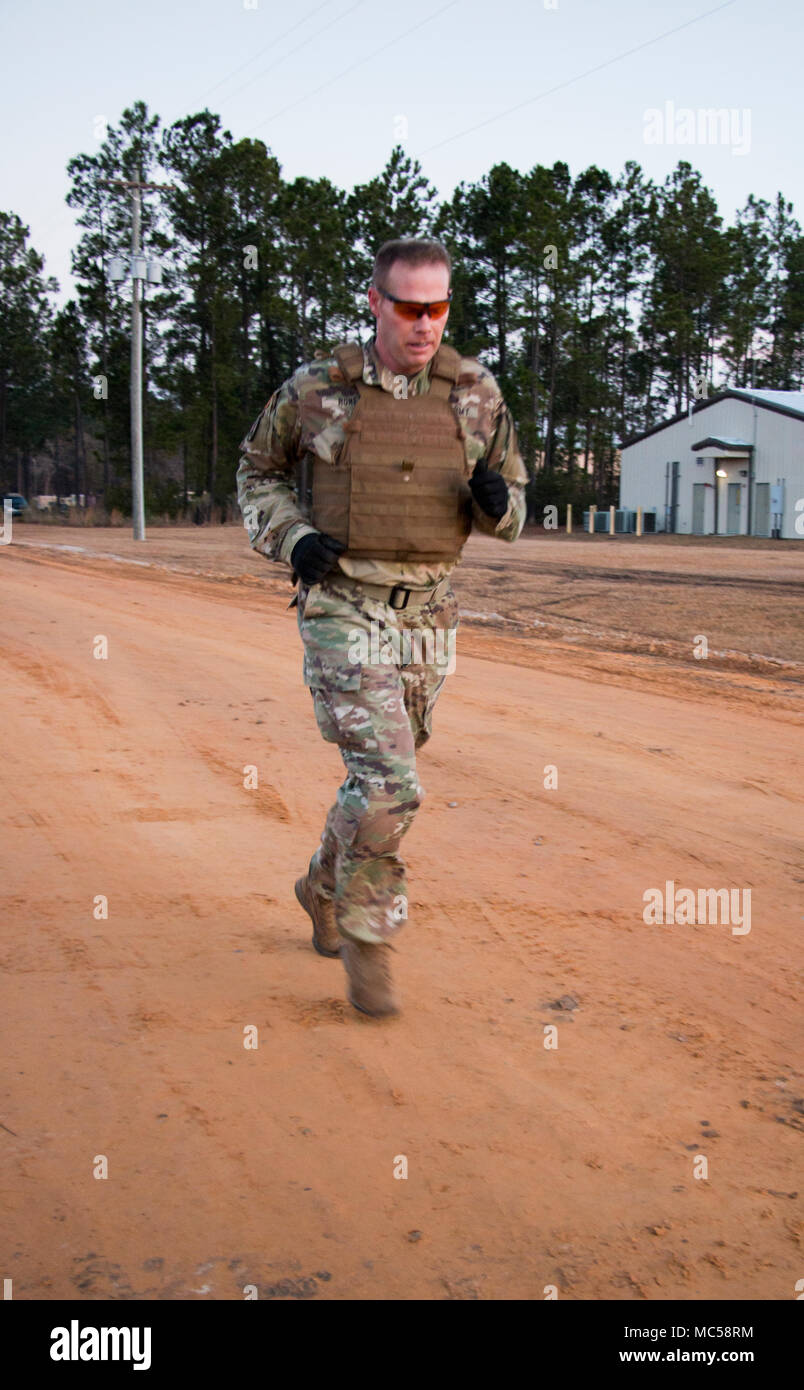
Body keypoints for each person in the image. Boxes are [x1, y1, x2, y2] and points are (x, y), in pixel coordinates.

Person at [236, 238, 527, 1018]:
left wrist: (499, 507)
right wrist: (292, 538)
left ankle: (320, 887)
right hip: (343, 605)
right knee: (395, 785)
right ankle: (370, 937)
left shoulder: (475, 393)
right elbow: (256, 473)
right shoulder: (317, 389)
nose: (425, 323)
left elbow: (516, 506)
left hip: (430, 618)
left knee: (374, 784)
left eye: (438, 307)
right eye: (409, 306)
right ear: (375, 302)